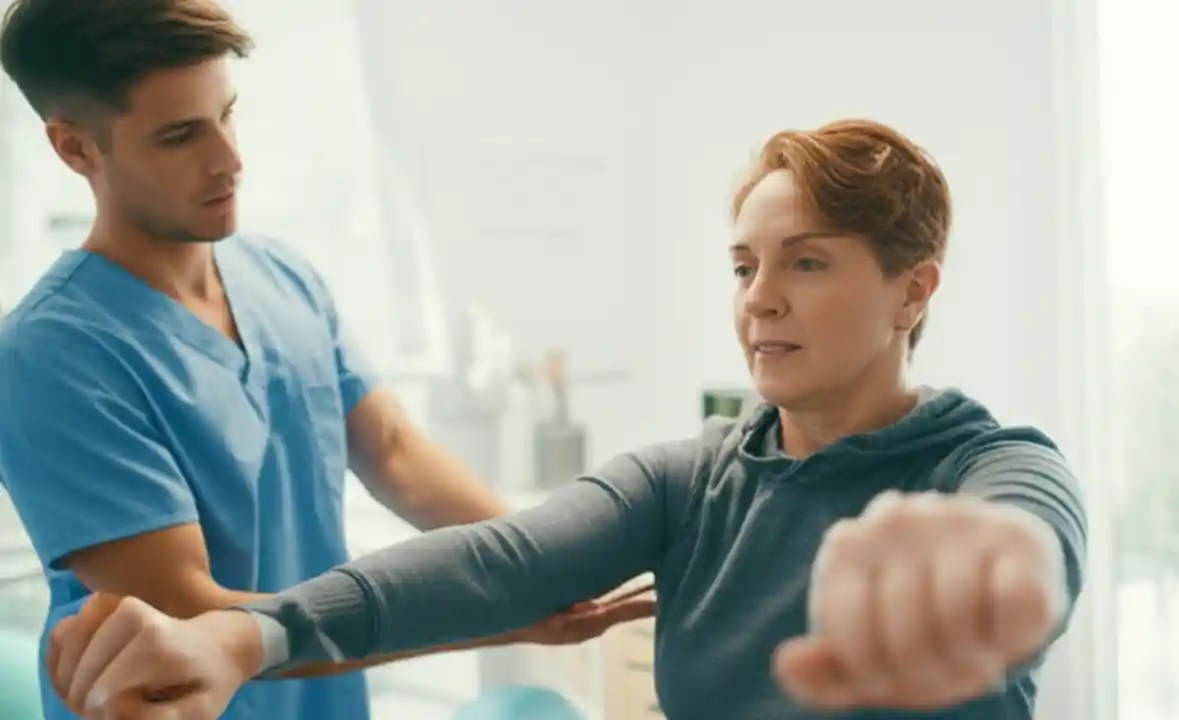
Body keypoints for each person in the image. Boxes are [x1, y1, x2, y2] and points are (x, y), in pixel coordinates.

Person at [47, 117, 1088, 720]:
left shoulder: (989, 470)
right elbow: (492, 561)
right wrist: (250, 634)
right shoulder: (689, 482)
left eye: (805, 262)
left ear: (913, 291)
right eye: (742, 266)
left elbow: (1024, 546)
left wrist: (969, 579)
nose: (757, 298)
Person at [0, 2, 651, 720]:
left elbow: (398, 457)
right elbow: (191, 615)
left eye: (229, 114)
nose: (229, 158)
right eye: (181, 135)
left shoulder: (282, 278)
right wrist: (486, 614)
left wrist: (551, 565)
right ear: (75, 149)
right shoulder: (50, 357)